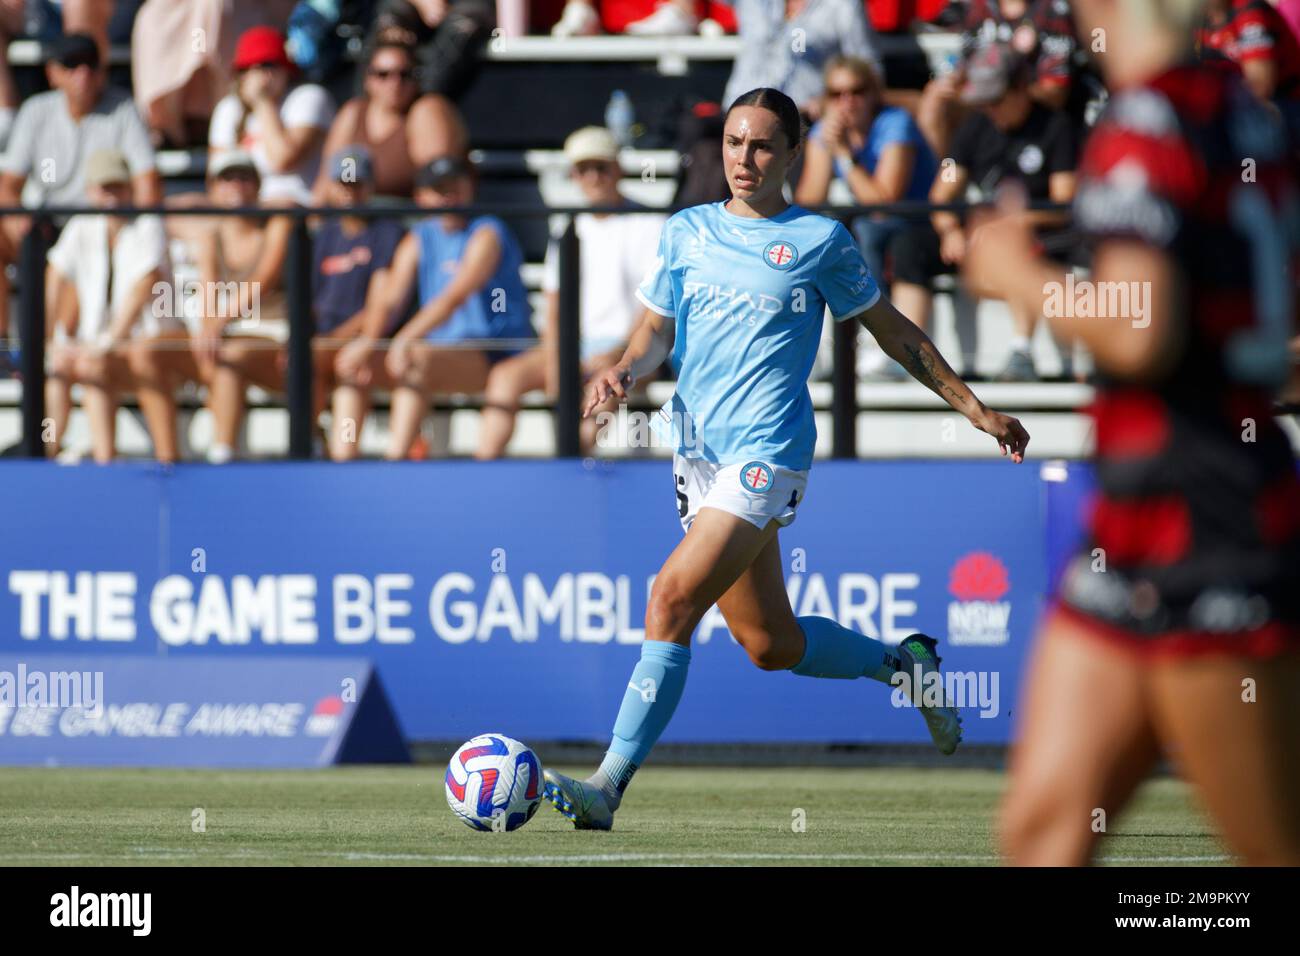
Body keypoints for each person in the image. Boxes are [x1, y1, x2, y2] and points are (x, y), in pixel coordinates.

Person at [540, 87, 1030, 831]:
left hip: (768, 455)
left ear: (794, 155)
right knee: (771, 644)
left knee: (670, 598)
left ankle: (606, 788)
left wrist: (974, 409)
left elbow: (893, 331)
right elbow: (653, 333)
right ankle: (906, 666)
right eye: (735, 142)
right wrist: (622, 371)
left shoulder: (819, 240)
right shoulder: (687, 231)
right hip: (697, 457)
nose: (744, 157)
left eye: (763, 145)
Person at [962, 0, 1300, 865]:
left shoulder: (1146, 118)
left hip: (1208, 519)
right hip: (1140, 516)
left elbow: (1140, 330)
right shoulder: (1239, 110)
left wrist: (1017, 275)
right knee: (1044, 834)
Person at [889, 42, 1078, 382]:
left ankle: (1022, 352)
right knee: (910, 246)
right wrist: (950, 230)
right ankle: (907, 352)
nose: (990, 109)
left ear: (1020, 87)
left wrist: (1009, 223)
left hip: (1038, 235)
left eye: (995, 99)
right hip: (978, 232)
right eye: (984, 101)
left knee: (1016, 243)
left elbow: (1064, 202)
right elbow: (944, 189)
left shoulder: (1056, 127)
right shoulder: (976, 126)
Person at [476, 126, 665, 459]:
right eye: (583, 169)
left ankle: (566, 472)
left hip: (632, 349)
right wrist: (557, 360)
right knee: (505, 378)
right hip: (580, 349)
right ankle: (483, 471)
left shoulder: (650, 223)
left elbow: (654, 309)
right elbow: (555, 306)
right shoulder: (568, 227)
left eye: (600, 167)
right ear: (574, 176)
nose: (592, 177)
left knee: (603, 388)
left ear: (617, 169)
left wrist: (619, 355)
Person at [331, 155, 536, 460]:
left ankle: (395, 462)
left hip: (492, 353)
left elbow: (455, 297)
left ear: (469, 188)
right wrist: (368, 343)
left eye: (455, 186)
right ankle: (341, 464)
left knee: (413, 360)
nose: (449, 196)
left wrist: (403, 339)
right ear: (421, 197)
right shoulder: (420, 236)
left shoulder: (488, 233)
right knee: (354, 367)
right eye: (440, 189)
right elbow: (389, 300)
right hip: (437, 352)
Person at [0, 32, 159, 345]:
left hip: (97, 227)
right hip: (44, 228)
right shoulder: (37, 111)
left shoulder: (123, 109)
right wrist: (19, 225)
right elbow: (8, 187)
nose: (82, 74)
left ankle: (46, 353)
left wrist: (119, 229)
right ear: (53, 73)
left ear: (102, 71)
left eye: (90, 65)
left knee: (75, 258)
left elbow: (149, 188)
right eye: (71, 65)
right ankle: (7, 347)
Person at [45, 148, 196, 463]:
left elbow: (145, 284)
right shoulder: (82, 228)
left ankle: (105, 460)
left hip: (149, 343)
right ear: (90, 191)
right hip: (109, 346)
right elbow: (56, 274)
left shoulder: (147, 225)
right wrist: (55, 337)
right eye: (104, 187)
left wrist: (108, 341)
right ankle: (49, 450)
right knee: (60, 363)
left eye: (117, 186)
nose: (111, 195)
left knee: (95, 364)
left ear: (130, 188)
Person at [795, 56, 938, 284]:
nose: (847, 101)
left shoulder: (896, 123)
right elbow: (810, 204)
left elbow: (883, 204)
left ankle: (871, 315)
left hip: (917, 222)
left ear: (873, 94)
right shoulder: (826, 131)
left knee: (865, 229)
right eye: (836, 94)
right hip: (872, 222)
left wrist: (843, 153)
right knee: (826, 233)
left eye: (857, 91)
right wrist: (826, 146)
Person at [191, 150, 293, 463]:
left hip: (278, 333)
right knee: (214, 355)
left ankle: (221, 452)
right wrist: (209, 330)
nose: (236, 185)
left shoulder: (277, 226)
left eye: (244, 178)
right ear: (213, 188)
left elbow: (263, 279)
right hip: (236, 335)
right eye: (227, 178)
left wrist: (216, 325)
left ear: (258, 186)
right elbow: (208, 290)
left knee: (225, 356)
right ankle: (222, 450)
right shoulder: (210, 237)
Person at [208, 26, 336, 206]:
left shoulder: (309, 97)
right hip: (242, 208)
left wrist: (262, 101)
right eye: (248, 69)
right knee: (179, 210)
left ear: (286, 69)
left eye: (268, 65)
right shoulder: (228, 108)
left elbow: (281, 160)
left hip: (297, 207)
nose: (261, 75)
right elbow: (215, 181)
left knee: (281, 211)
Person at [312, 39, 442, 201]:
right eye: (383, 74)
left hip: (404, 218)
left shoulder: (425, 111)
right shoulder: (354, 113)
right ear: (367, 79)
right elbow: (328, 182)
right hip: (353, 217)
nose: (395, 83)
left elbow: (437, 188)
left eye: (404, 74)